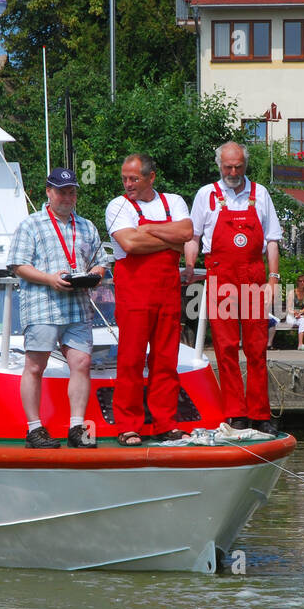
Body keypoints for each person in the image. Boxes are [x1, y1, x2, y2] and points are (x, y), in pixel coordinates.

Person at [6, 167, 110, 449]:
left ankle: (77, 426)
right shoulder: (31, 224)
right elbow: (18, 265)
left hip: (77, 305)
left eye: (72, 191)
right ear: (48, 192)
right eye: (62, 191)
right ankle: (34, 428)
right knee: (36, 366)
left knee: (82, 363)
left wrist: (96, 276)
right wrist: (50, 279)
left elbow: (101, 261)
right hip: (43, 305)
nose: (67, 197)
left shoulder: (87, 226)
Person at [183, 141, 283, 433]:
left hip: (253, 278)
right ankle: (236, 413)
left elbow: (273, 241)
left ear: (245, 165)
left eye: (238, 166)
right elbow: (193, 236)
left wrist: (273, 280)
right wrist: (190, 266)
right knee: (226, 348)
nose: (233, 172)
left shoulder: (260, 193)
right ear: (219, 165)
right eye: (228, 167)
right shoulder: (207, 194)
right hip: (220, 277)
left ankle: (260, 414)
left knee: (256, 348)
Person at [105, 153, 193, 446]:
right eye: (124, 178)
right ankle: (128, 425)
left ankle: (165, 423)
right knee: (130, 360)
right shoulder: (118, 206)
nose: (128, 184)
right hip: (134, 294)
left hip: (167, 294)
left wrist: (149, 229)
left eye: (134, 179)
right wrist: (171, 240)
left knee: (166, 359)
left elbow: (188, 233)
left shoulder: (174, 201)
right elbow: (129, 243)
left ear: (151, 177)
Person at [286, 274, 304, 350]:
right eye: (300, 281)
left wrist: (300, 313)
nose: (302, 283)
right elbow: (289, 308)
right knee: (303, 321)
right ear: (297, 282)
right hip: (291, 315)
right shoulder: (292, 292)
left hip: (301, 315)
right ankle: (300, 344)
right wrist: (295, 313)